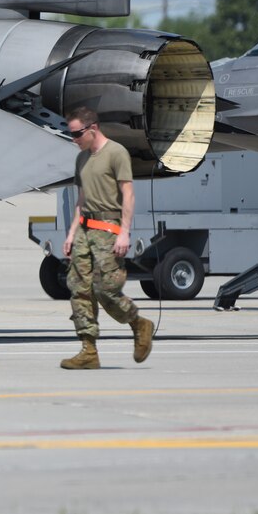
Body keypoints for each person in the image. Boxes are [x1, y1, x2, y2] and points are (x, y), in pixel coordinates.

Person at [60, 106, 154, 370]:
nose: (74, 139)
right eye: (72, 135)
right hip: (84, 228)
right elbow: (81, 199)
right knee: (79, 289)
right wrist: (71, 233)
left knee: (106, 289)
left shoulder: (116, 153)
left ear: (93, 129)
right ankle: (88, 349)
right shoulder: (81, 159)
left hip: (108, 227)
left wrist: (124, 231)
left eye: (78, 134)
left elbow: (128, 194)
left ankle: (138, 323)